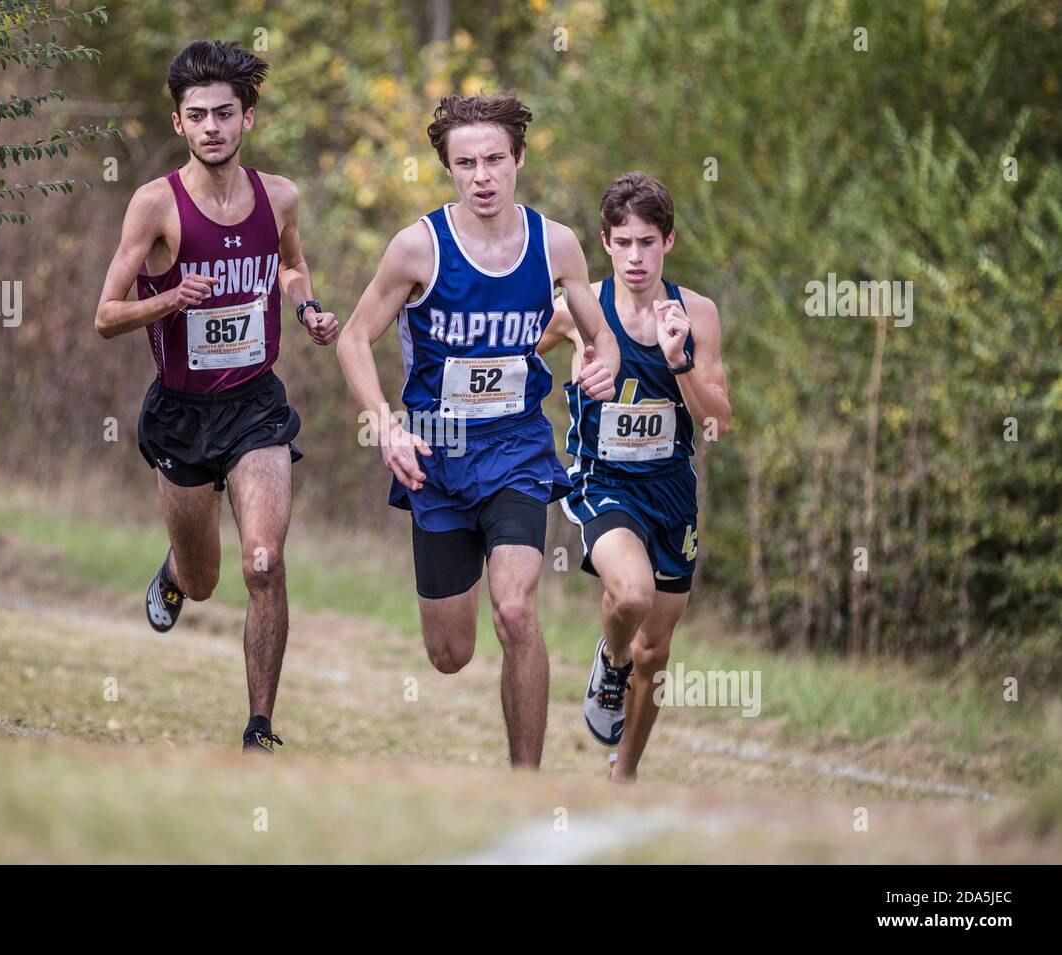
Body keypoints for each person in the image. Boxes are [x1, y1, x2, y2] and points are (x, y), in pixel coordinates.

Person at [337, 93, 618, 768]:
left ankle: (524, 784)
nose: (482, 175)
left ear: (519, 158)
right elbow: (352, 337)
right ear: (450, 169)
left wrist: (601, 362)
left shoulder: (556, 244)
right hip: (435, 454)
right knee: (449, 653)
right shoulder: (417, 248)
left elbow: (597, 330)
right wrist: (385, 426)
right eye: (466, 163)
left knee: (516, 611)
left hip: (517, 450)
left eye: (495, 159)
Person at [94, 40, 337, 755]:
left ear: (248, 119)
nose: (211, 128)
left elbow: (291, 264)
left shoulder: (280, 196)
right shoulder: (154, 206)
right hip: (181, 414)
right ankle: (176, 566)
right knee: (204, 582)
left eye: (223, 114)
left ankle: (259, 727)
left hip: (257, 405)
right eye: (196, 116)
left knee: (264, 560)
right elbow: (105, 315)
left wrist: (308, 309)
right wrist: (170, 298)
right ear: (178, 124)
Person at [537, 172, 731, 781]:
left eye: (647, 242)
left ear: (668, 241)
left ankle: (625, 774)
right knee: (632, 596)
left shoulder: (696, 313)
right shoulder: (576, 310)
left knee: (658, 651)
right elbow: (512, 361)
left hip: (673, 493)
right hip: (604, 484)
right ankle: (610, 657)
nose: (636, 257)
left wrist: (680, 362)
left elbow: (719, 421)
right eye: (623, 242)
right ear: (605, 242)